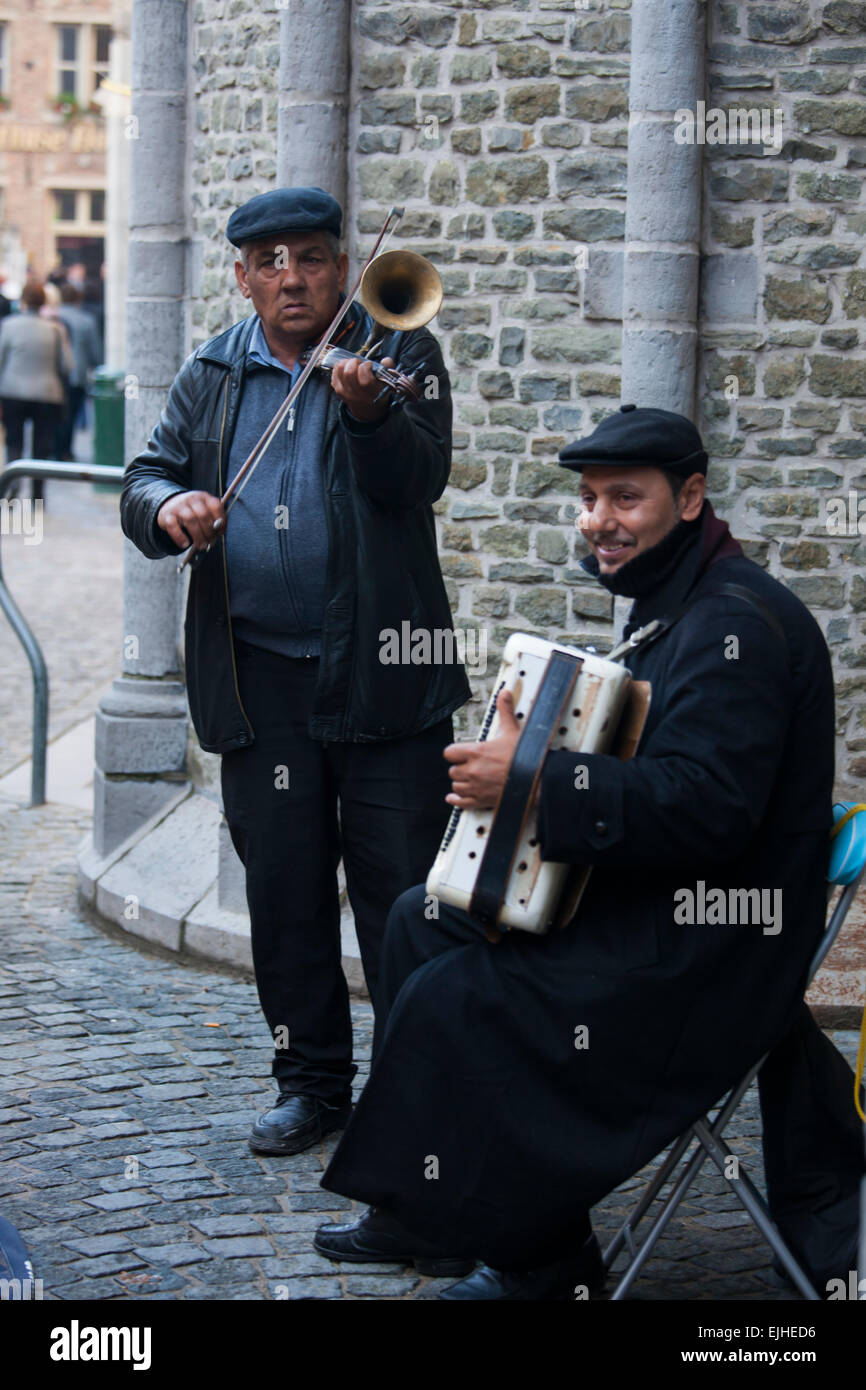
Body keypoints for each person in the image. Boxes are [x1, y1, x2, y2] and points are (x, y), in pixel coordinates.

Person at [314, 405, 863, 1299]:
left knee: (464, 994)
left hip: (709, 956)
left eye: (625, 499)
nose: (598, 520)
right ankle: (434, 1204)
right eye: (588, 499)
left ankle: (542, 1263)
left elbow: (708, 812)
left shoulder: (740, 628)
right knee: (423, 920)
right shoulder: (683, 601)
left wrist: (532, 780)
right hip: (656, 913)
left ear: (690, 498)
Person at [121, 186, 470, 1158]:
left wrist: (366, 415)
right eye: (267, 262)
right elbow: (143, 475)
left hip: (383, 679)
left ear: (339, 262)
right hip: (259, 682)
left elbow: (418, 476)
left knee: (402, 899)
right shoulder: (215, 370)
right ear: (241, 277)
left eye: (309, 257)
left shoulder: (399, 353)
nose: (289, 277)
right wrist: (169, 506)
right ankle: (311, 1082)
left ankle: (413, 1101)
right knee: (283, 893)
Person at [0, 281, 73, 501]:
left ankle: (12, 489)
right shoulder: (55, 328)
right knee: (42, 447)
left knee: (14, 442)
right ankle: (37, 495)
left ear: (23, 300)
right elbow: (67, 366)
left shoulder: (9, 325)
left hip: (12, 391)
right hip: (47, 394)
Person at [56, 284, 101, 459]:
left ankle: (54, 450)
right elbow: (94, 351)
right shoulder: (86, 320)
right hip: (76, 375)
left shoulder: (52, 318)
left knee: (56, 416)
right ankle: (64, 450)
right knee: (70, 415)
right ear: (78, 299)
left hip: (55, 375)